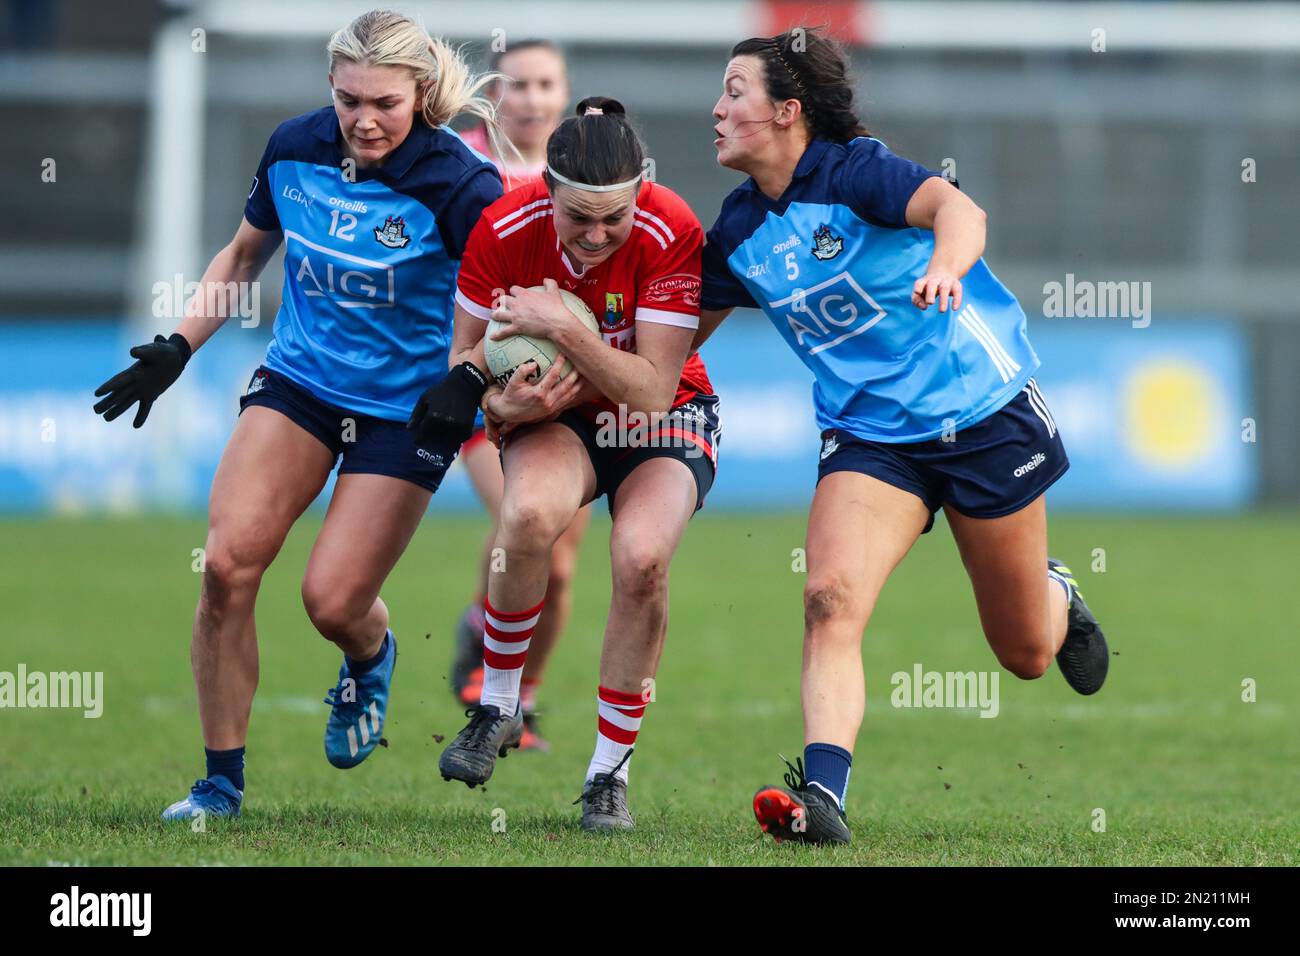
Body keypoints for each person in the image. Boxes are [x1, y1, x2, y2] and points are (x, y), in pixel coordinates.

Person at [696, 28, 1110, 845]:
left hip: (983, 415)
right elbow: (668, 345)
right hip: (871, 438)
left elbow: (959, 209)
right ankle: (824, 799)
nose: (716, 108)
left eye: (734, 92)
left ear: (786, 111)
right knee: (828, 600)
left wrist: (947, 267)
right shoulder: (740, 233)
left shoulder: (855, 173)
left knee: (1025, 650)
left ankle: (1057, 593)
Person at [92, 9, 506, 821]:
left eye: (384, 102)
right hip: (300, 386)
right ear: (331, 88)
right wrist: (178, 348)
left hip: (404, 412)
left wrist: (468, 381)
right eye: (349, 99)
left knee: (332, 602)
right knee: (223, 568)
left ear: (420, 95)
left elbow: (498, 308)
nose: (364, 119)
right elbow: (245, 255)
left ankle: (369, 654)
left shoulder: (460, 185)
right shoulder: (295, 147)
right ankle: (219, 785)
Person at [409, 97, 719, 832]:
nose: (599, 233)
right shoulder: (503, 228)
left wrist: (559, 327)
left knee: (642, 559)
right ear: (547, 192)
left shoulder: (671, 226)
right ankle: (497, 708)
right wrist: (500, 410)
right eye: (580, 216)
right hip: (558, 417)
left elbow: (647, 389)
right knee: (527, 515)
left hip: (664, 413)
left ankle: (608, 776)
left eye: (615, 216)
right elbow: (464, 362)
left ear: (639, 193)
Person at [447, 39, 589, 753]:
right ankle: (484, 642)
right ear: (491, 93)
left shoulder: (587, 176)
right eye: (517, 84)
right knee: (521, 521)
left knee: (559, 562)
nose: (531, 98)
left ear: (563, 93)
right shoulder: (462, 167)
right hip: (486, 382)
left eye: (544, 83)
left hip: (571, 390)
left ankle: (521, 698)